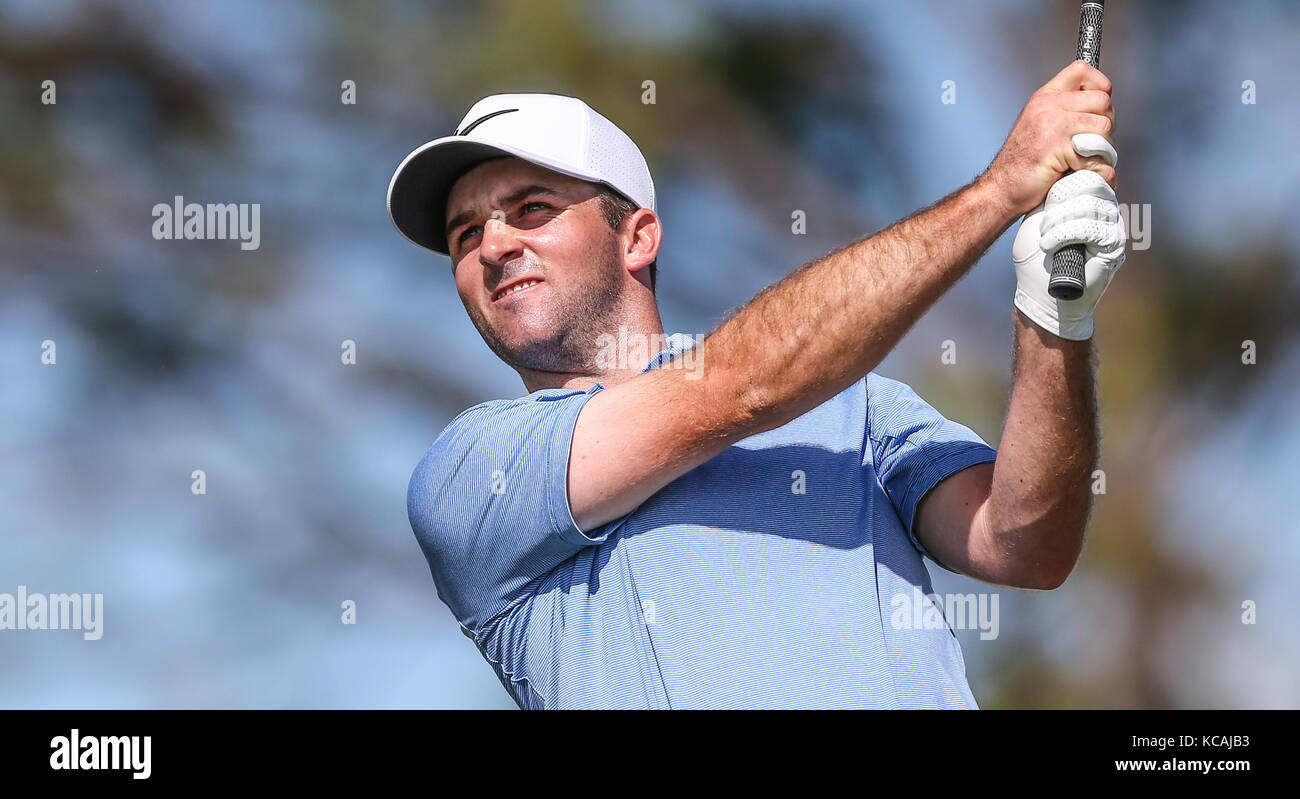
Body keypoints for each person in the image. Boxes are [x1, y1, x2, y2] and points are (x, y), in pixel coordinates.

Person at [388, 62, 1125, 709]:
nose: (493, 245)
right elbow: (737, 388)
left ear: (637, 236)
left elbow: (1025, 545)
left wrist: (1053, 318)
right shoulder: (471, 475)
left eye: (532, 209)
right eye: (464, 234)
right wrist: (999, 191)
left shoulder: (855, 403)